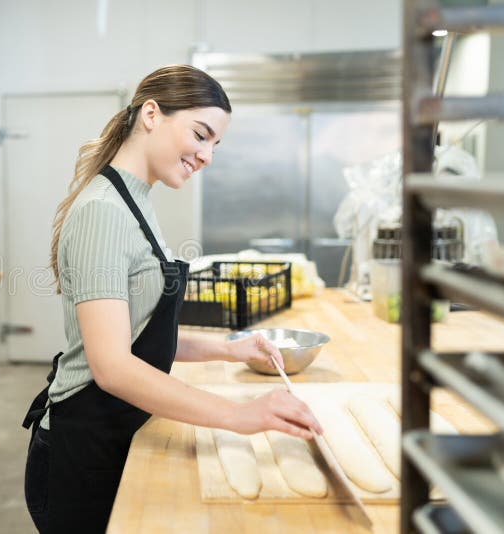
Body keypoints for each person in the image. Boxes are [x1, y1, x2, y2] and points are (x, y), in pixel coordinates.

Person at [22, 64, 323, 533]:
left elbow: (140, 334)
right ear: (151, 115)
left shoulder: (135, 200)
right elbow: (112, 366)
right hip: (81, 456)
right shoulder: (103, 211)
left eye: (215, 145)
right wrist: (239, 415)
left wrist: (230, 349)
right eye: (200, 135)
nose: (207, 156)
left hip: (118, 433)